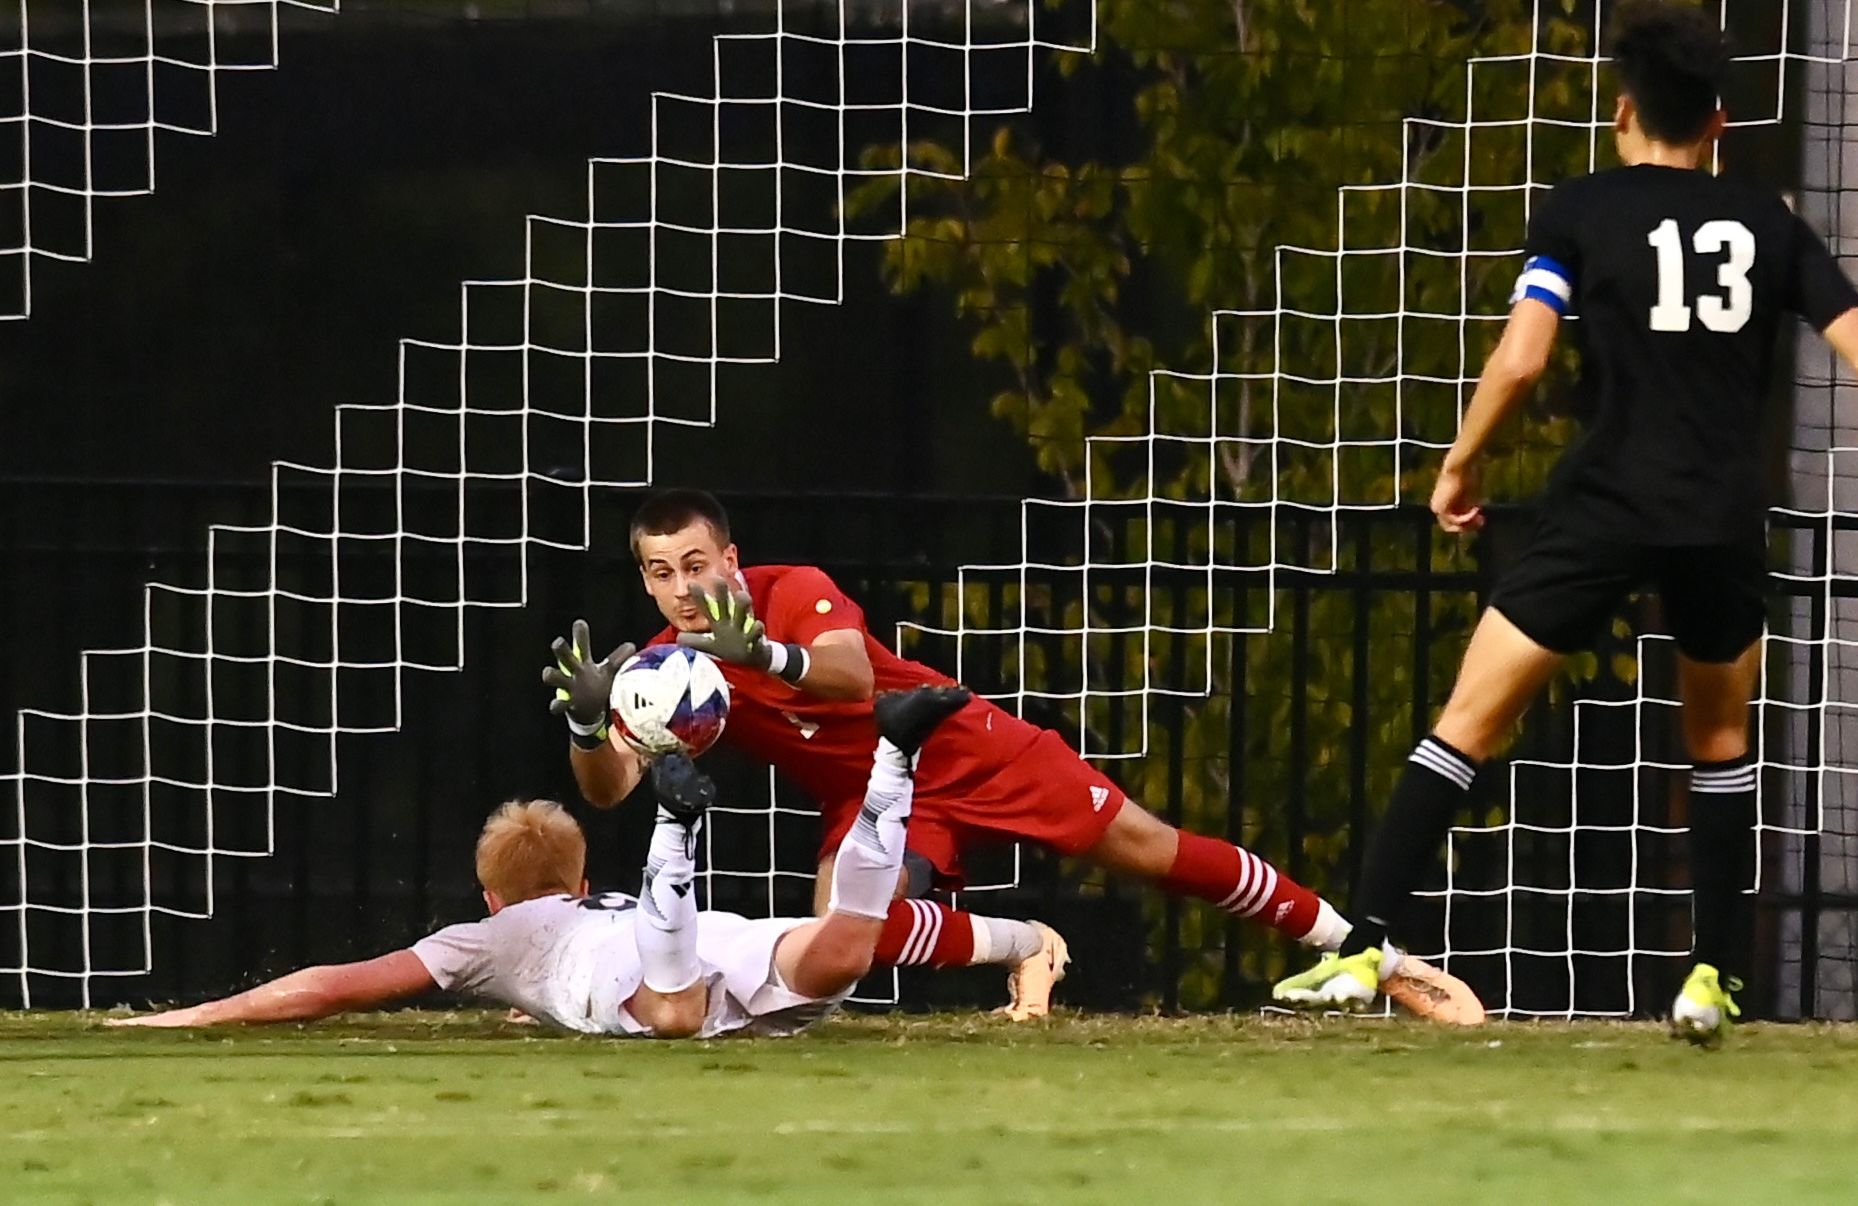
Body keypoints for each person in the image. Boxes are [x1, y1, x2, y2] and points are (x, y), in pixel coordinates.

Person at [1272, 0, 1858, 1043]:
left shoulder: (1580, 209)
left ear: (1621, 111)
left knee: (1465, 723)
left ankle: (1362, 947)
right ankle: (1710, 975)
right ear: (1716, 121)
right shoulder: (1771, 221)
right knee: (1719, 742)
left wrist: (1458, 465)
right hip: (1718, 514)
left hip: (1605, 504)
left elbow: (1523, 357)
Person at [546, 489, 1481, 1023]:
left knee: (1150, 851)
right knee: (842, 933)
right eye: (661, 572)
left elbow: (840, 675)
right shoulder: (662, 672)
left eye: (696, 563)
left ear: (730, 558)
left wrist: (761, 654)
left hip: (963, 746)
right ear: (645, 579)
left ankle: (1371, 955)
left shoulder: (791, 593)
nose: (683, 586)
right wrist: (590, 726)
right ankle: (1029, 947)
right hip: (881, 794)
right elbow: (612, 787)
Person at [110, 689, 974, 1038]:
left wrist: (194, 1017)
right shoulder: (571, 910)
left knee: (669, 1015)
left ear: (492, 895)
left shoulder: (490, 938)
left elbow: (339, 984)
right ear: (581, 882)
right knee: (843, 947)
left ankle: (675, 833)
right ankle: (892, 762)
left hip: (633, 964)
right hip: (717, 932)